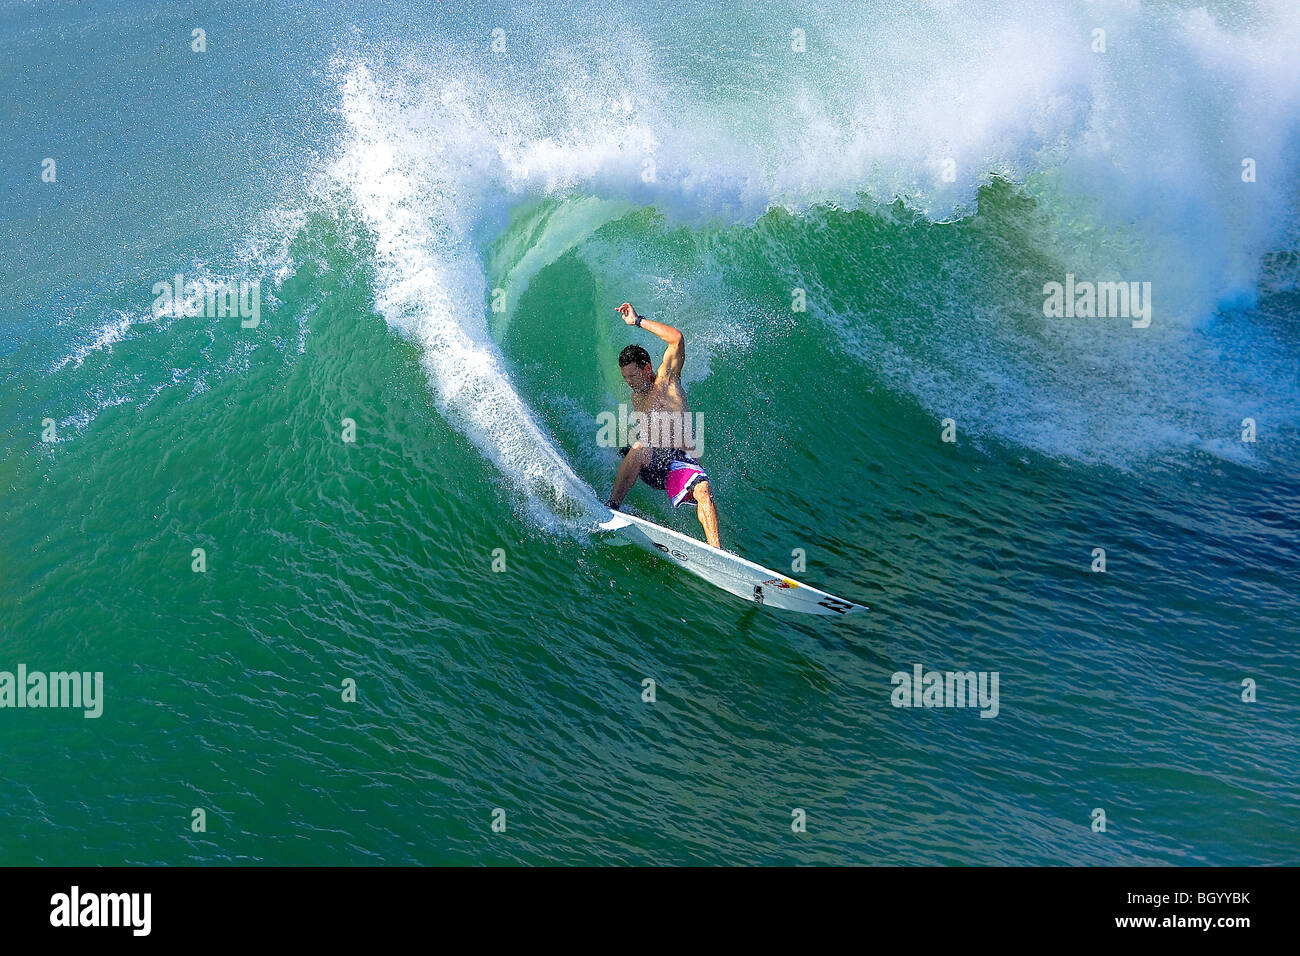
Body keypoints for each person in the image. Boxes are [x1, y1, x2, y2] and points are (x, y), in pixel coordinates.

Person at [605, 302, 721, 549]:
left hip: (679, 461)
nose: (629, 383)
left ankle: (717, 551)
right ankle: (611, 508)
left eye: (633, 376)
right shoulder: (637, 396)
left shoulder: (667, 380)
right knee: (635, 448)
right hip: (654, 462)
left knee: (703, 491)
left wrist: (637, 321)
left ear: (647, 368)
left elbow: (676, 339)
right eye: (625, 378)